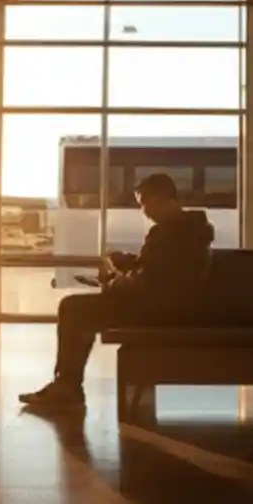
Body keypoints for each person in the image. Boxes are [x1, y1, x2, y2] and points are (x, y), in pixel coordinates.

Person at [18, 173, 214, 411]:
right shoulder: (189, 230)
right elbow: (160, 271)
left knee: (73, 308)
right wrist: (129, 265)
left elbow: (148, 284)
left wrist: (112, 284)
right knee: (81, 308)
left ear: (162, 199)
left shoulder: (169, 233)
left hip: (158, 311)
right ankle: (67, 384)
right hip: (169, 305)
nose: (145, 211)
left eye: (145, 203)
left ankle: (67, 385)